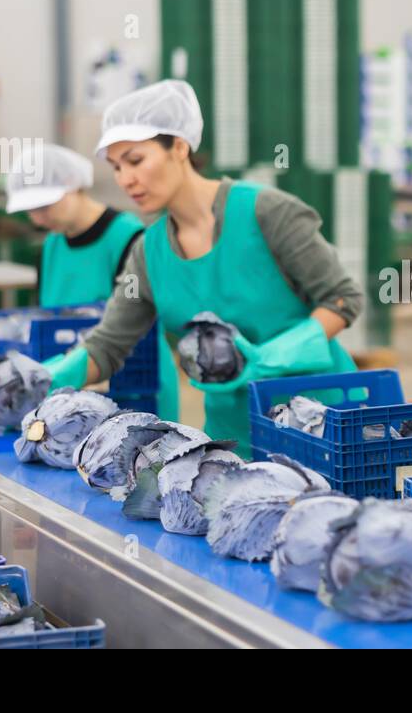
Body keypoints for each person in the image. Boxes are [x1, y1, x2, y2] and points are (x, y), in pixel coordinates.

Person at [44, 80, 362, 455]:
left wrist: (270, 357)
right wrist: (49, 378)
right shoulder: (150, 251)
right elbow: (108, 345)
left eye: (135, 160)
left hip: (325, 424)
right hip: (235, 437)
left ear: (179, 146)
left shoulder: (266, 212)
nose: (125, 179)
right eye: (115, 167)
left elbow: (342, 299)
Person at [6, 142, 180, 421]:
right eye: (30, 210)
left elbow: (135, 319)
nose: (38, 218)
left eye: (45, 205)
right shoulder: (52, 244)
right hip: (72, 388)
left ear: (73, 185)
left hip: (134, 385)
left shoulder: (129, 236)